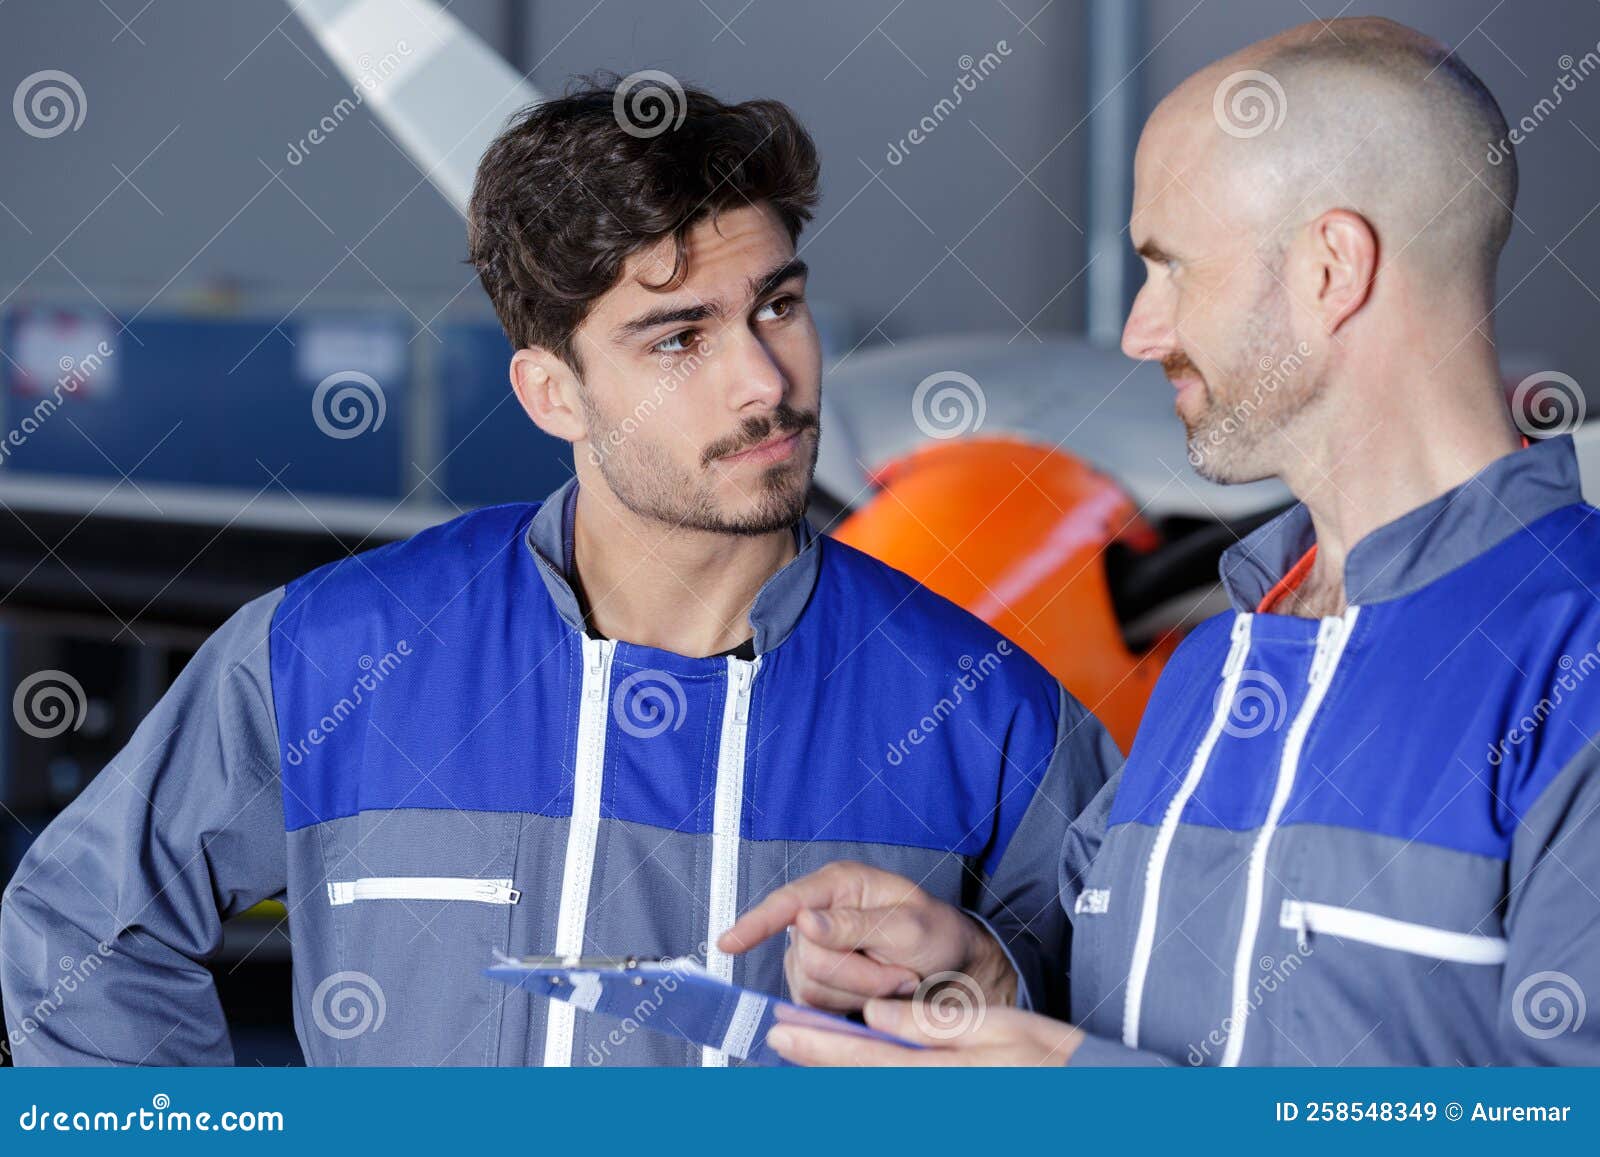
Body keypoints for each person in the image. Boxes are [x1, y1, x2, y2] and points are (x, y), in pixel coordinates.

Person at [0, 80, 1119, 1066]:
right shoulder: (325, 659)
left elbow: (1145, 1030)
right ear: (553, 394)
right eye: (678, 339)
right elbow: (81, 927)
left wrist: (992, 986)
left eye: (777, 306)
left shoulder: (991, 714)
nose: (764, 382)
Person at [721, 17, 1600, 1066]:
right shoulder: (1210, 671)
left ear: (1331, 269)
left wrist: (1091, 1100)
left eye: (1172, 267)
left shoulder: (1577, 671)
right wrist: (984, 978)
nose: (1140, 332)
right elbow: (1146, 1027)